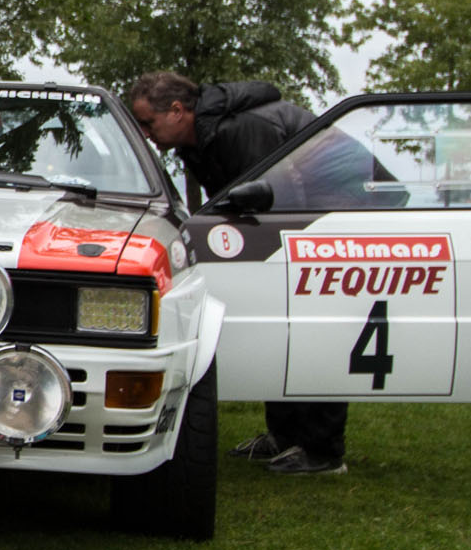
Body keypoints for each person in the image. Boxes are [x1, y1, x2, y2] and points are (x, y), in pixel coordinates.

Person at [125, 70, 344, 476]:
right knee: (279, 325)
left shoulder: (240, 130)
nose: (145, 133)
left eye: (147, 122)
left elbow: (275, 202)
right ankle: (285, 435)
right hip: (307, 218)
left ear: (177, 111)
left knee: (309, 328)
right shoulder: (202, 138)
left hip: (338, 218)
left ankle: (322, 450)